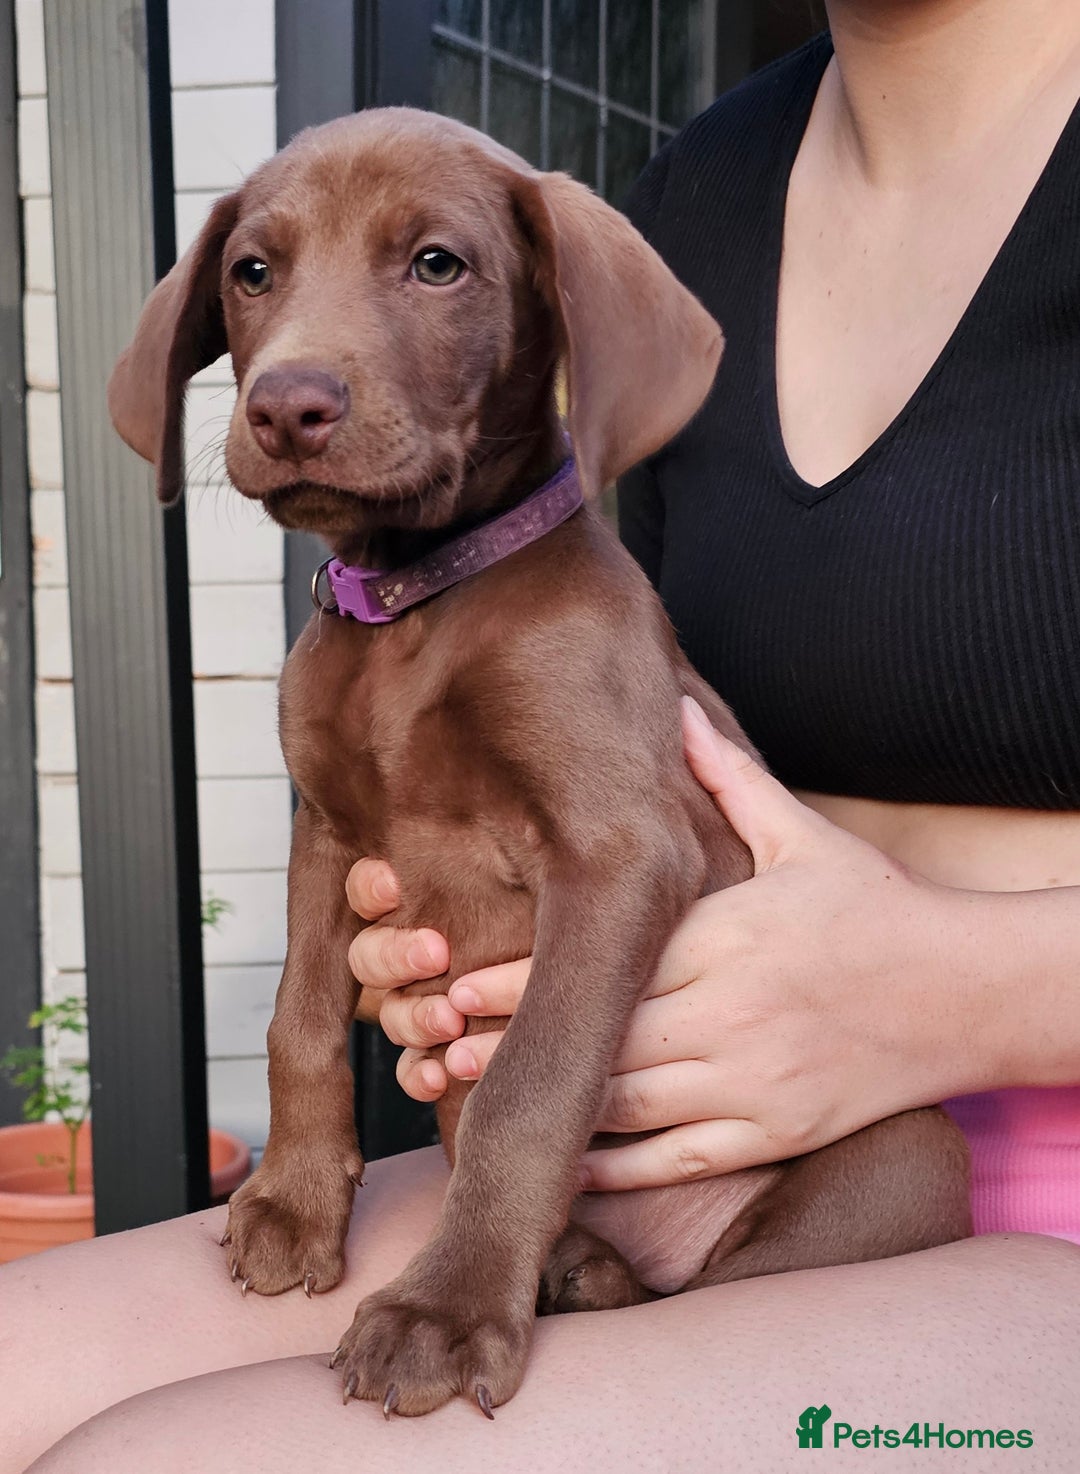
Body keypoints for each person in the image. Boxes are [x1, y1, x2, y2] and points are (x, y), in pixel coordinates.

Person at [4, 0, 1079, 1468]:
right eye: (259, 280)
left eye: (434, 266)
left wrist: (924, 989)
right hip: (610, 1158)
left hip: (937, 1193)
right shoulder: (697, 192)